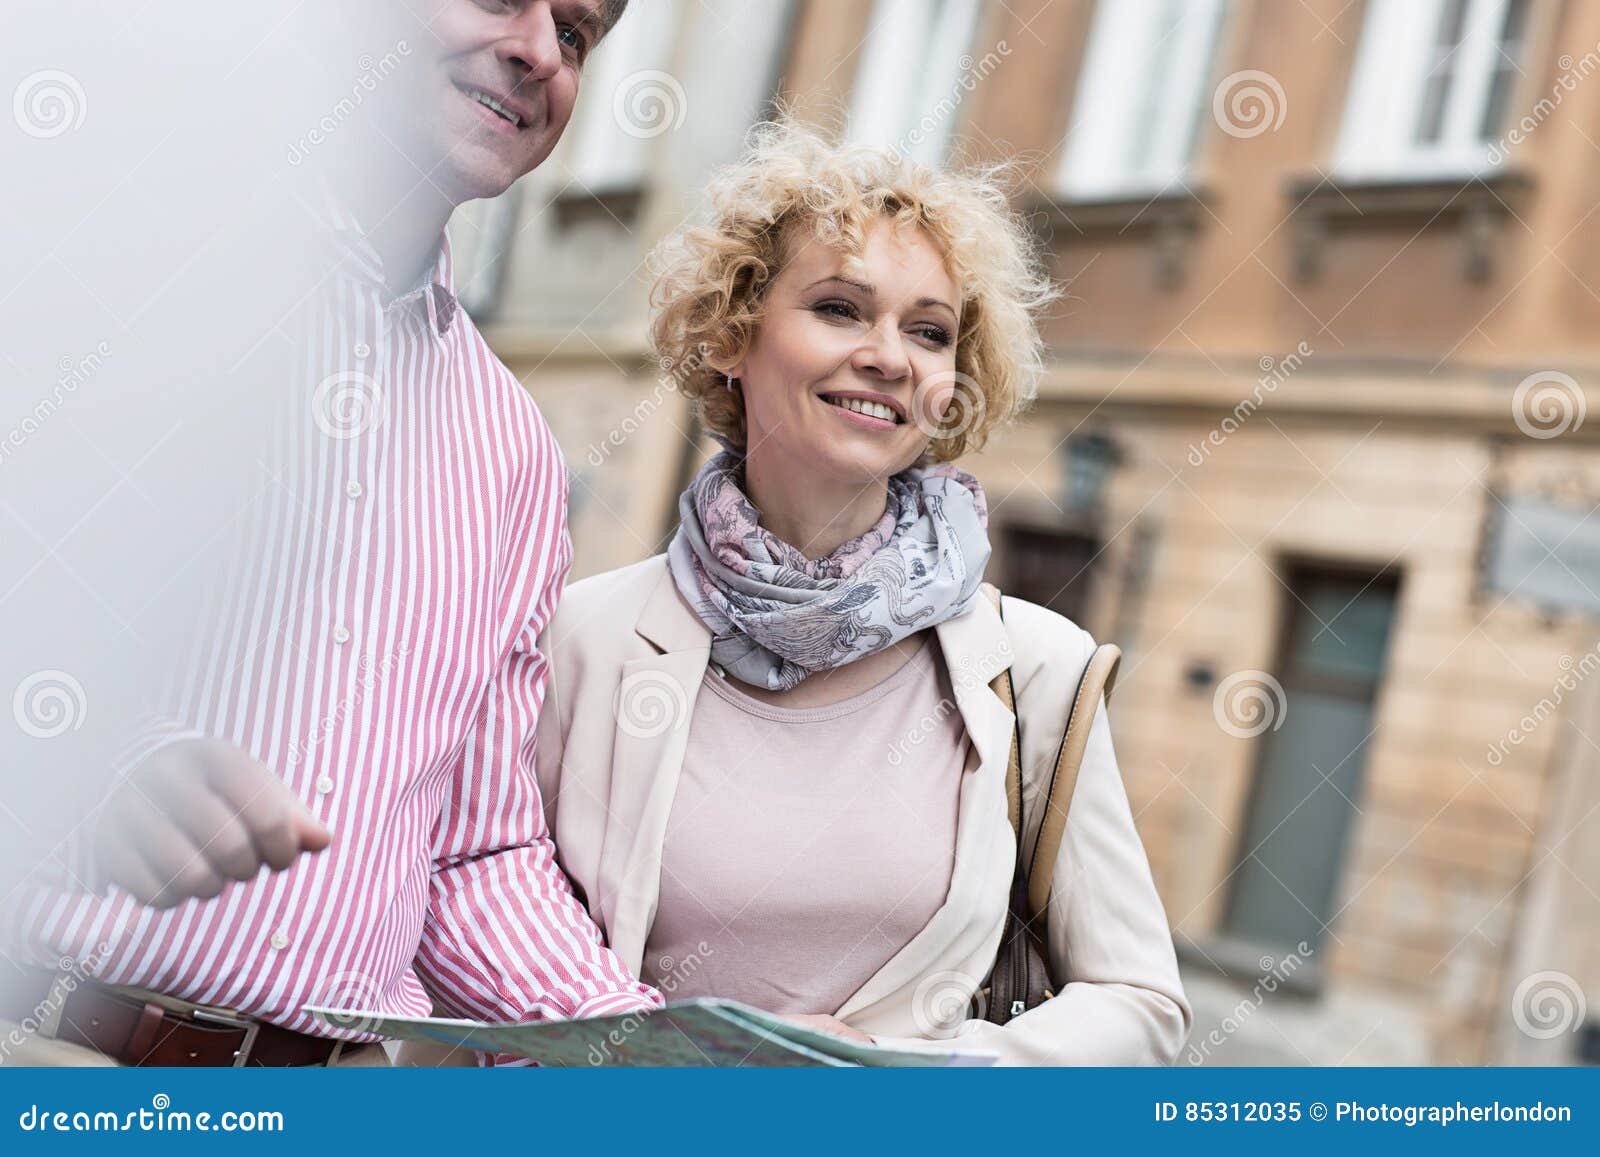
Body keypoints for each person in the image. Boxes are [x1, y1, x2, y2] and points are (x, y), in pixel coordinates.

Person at [0, 0, 659, 1068]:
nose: (539, 48)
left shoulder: (513, 457)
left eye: (577, 32)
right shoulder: (91, 278)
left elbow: (472, 855)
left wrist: (655, 1051)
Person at [534, 120, 1193, 1064]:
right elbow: (492, 941)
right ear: (732, 334)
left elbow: (1141, 1002)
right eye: (841, 309)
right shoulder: (584, 639)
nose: (890, 355)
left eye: (929, 331)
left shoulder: (1034, 666)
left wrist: (917, 1081)